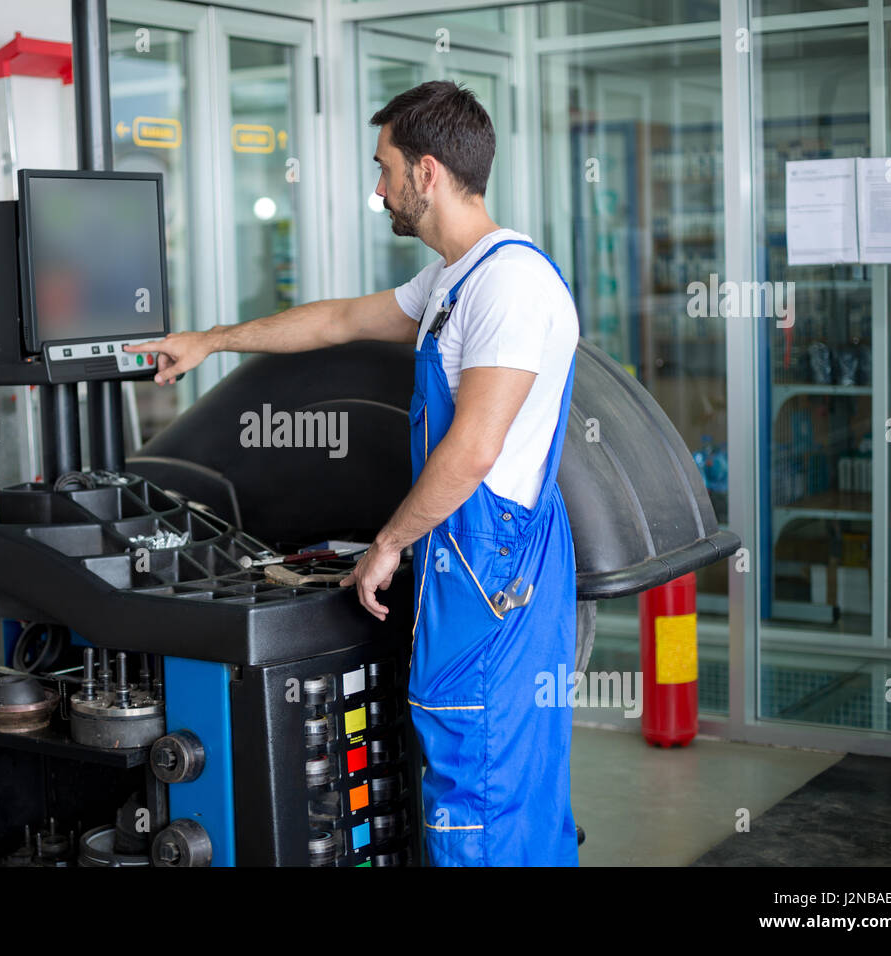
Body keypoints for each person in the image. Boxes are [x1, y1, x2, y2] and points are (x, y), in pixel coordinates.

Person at [127, 80, 580, 867]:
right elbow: (337, 321)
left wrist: (388, 543)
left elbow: (473, 448)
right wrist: (211, 339)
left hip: (493, 568)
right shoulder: (456, 279)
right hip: (472, 560)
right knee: (492, 775)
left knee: (483, 789)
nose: (379, 190)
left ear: (428, 173)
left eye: (385, 168)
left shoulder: (509, 285)